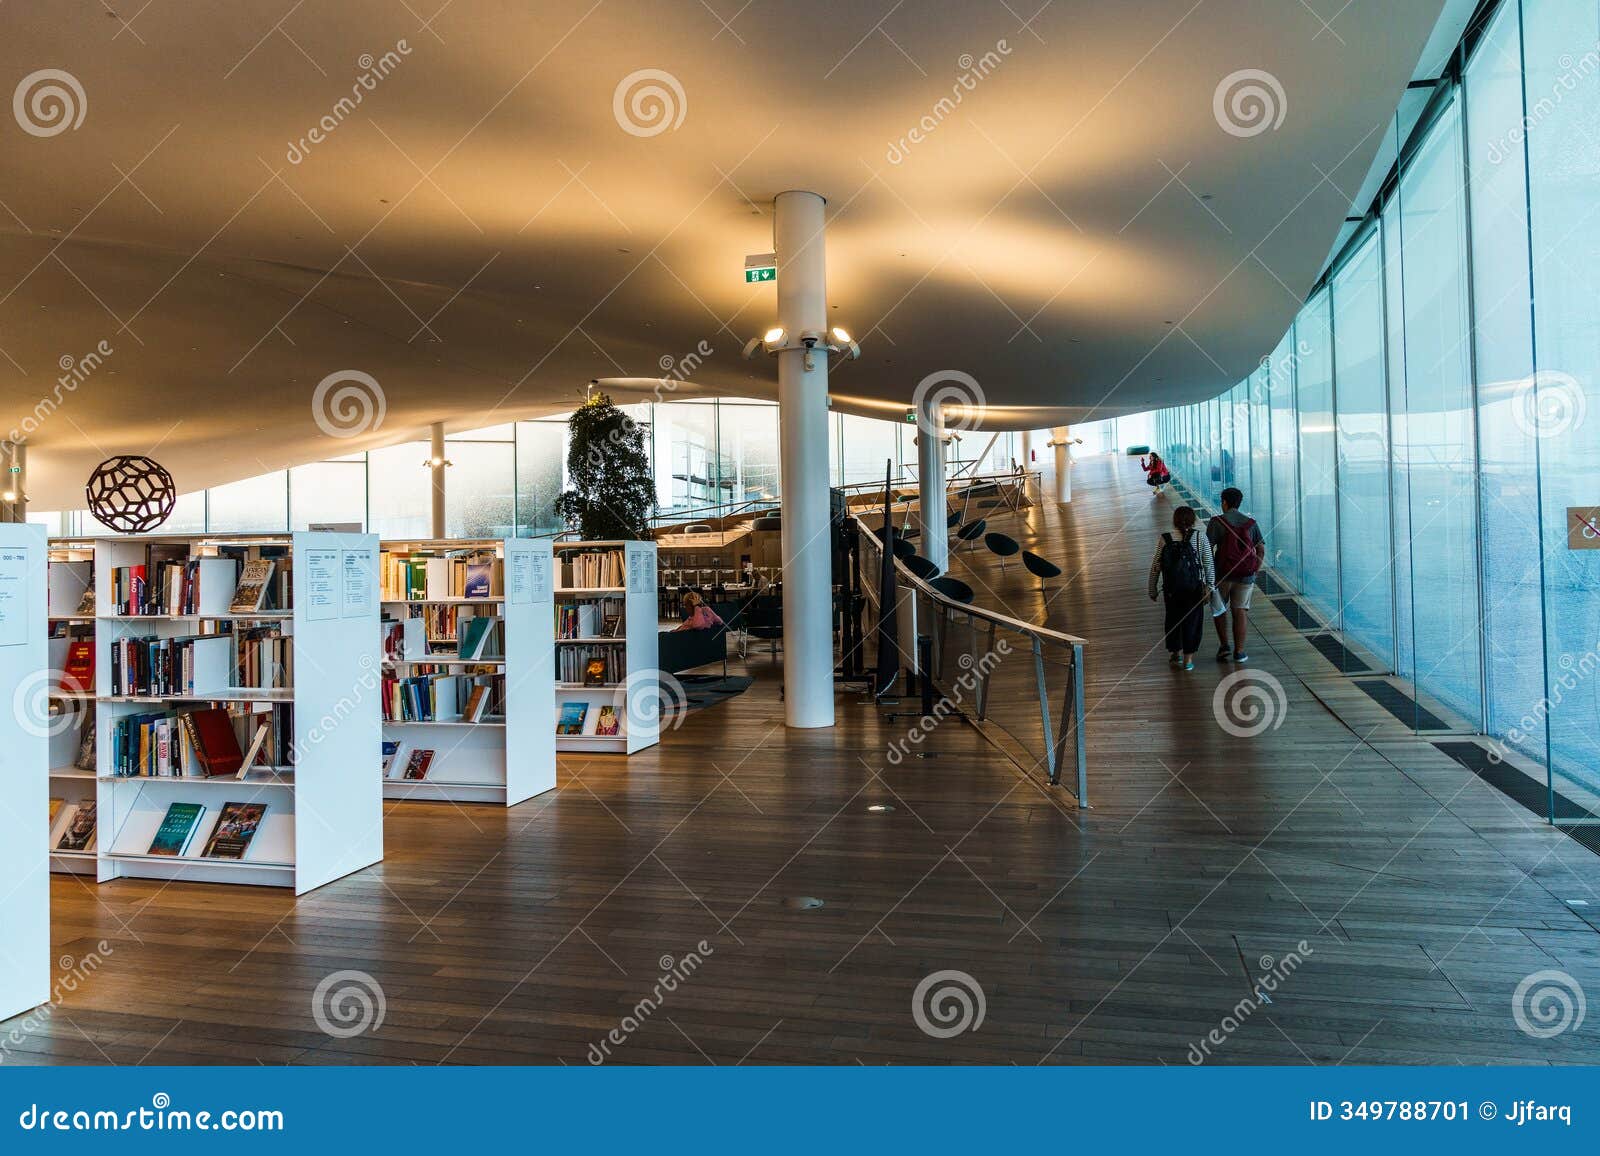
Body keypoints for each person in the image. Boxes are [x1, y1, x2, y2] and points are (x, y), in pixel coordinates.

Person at [1148, 505, 1214, 671]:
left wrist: (1152, 588)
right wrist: (1210, 587)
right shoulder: (1200, 537)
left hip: (1172, 590)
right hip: (1194, 589)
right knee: (1193, 622)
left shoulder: (1165, 538)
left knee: (1173, 620)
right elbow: (1208, 564)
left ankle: (1175, 653)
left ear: (1175, 520)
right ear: (1193, 520)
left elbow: (1156, 565)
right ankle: (1188, 660)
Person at [1207, 486, 1266, 663]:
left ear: (1224, 502)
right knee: (1240, 611)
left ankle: (1224, 646)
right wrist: (1255, 569)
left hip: (1222, 574)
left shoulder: (1217, 522)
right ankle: (1239, 652)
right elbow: (1261, 549)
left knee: (1219, 610)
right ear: (1239, 503)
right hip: (1245, 575)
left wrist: (1209, 575)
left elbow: (1207, 550)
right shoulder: (1251, 523)